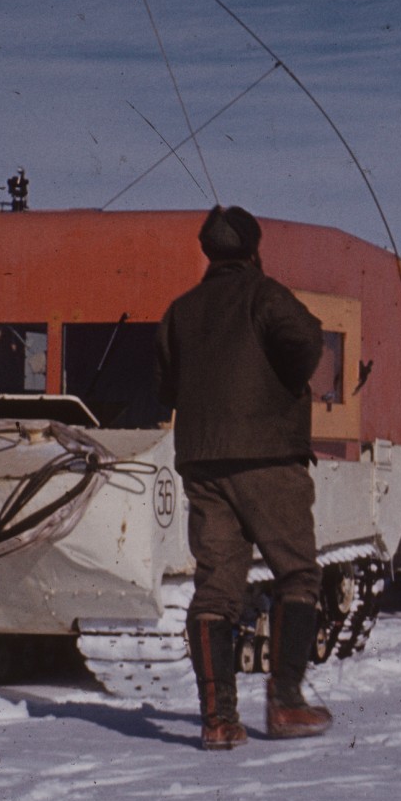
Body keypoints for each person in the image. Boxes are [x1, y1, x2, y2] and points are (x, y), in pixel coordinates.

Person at [157, 206, 332, 750]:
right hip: (268, 457)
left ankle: (218, 722)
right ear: (255, 248)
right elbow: (307, 343)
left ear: (208, 253)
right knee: (297, 576)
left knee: (215, 591)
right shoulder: (265, 294)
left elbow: (166, 385)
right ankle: (285, 704)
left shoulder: (180, 310)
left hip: (203, 464)